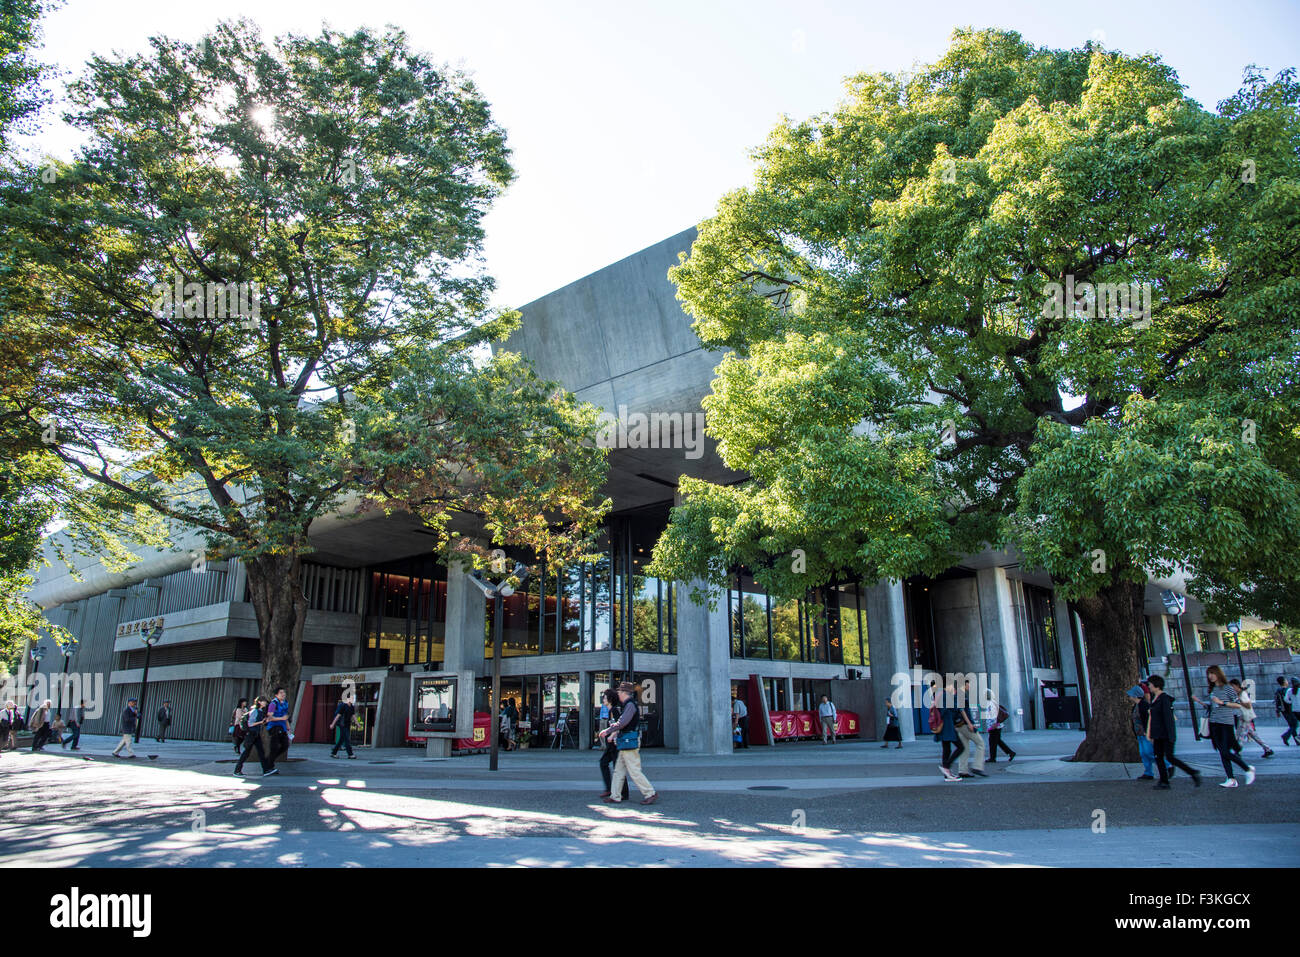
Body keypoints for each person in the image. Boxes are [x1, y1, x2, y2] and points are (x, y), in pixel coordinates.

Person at [1193, 666, 1255, 788]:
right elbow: (1213, 706)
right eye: (1208, 674)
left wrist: (1223, 703)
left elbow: (1238, 705)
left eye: (1212, 673)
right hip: (1214, 723)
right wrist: (1200, 702)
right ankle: (1231, 779)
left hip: (1225, 723)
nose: (1210, 676)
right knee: (1222, 752)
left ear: (1218, 674)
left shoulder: (1227, 688)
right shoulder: (1212, 689)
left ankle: (1247, 769)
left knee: (1224, 751)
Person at [599, 682, 657, 805]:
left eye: (619, 692)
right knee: (618, 770)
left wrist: (608, 731)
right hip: (626, 742)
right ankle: (615, 795)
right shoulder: (628, 705)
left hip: (628, 742)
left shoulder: (630, 705)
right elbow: (622, 722)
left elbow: (622, 722)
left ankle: (650, 793)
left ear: (625, 693)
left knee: (634, 770)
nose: (618, 694)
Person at [1146, 674, 1201, 789]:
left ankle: (1192, 772)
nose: (1149, 686)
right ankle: (1164, 780)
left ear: (1156, 685)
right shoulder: (1155, 699)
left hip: (1165, 734)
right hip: (1158, 734)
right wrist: (1151, 733)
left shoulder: (1164, 699)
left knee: (1169, 757)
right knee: (1159, 757)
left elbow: (1168, 719)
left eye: (1150, 684)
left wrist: (1171, 736)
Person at [1229, 678, 1274, 759]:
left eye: (1232, 686)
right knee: (1252, 734)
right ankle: (1267, 749)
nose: (1231, 688)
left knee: (1241, 735)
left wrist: (1239, 702)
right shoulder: (1238, 694)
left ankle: (1238, 751)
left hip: (1245, 717)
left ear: (1236, 685)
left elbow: (1248, 705)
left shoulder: (1243, 694)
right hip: (1242, 716)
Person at [597, 688, 628, 800]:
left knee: (617, 767)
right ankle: (610, 788)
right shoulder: (611, 711)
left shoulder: (614, 710)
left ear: (609, 699)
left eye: (605, 697)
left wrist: (611, 735)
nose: (603, 699)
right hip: (611, 745)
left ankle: (622, 792)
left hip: (615, 744)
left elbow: (618, 726)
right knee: (604, 763)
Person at [234, 695, 276, 776]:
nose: (265, 703)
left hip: (256, 734)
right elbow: (250, 724)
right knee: (246, 753)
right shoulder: (255, 711)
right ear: (259, 702)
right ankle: (237, 770)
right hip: (251, 734)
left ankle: (266, 770)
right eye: (264, 701)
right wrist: (261, 722)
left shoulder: (260, 711)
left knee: (261, 752)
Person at [954, 682, 987, 777]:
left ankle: (962, 770)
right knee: (980, 743)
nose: (970, 686)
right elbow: (962, 710)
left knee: (964, 748)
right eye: (969, 684)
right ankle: (977, 767)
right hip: (964, 725)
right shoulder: (961, 694)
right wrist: (970, 724)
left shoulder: (957, 694)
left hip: (959, 725)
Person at [935, 683, 966, 782]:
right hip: (947, 726)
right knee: (960, 747)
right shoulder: (946, 695)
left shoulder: (939, 694)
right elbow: (955, 708)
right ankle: (946, 767)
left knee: (946, 749)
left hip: (943, 726)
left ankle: (947, 774)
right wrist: (955, 697)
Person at [1128, 683, 1156, 780]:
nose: (1129, 696)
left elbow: (1148, 719)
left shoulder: (1143, 706)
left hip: (1145, 733)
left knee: (1149, 753)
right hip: (1140, 734)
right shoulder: (1136, 706)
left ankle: (1167, 765)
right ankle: (1148, 772)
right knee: (1144, 753)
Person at [984, 688, 1015, 762]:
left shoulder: (990, 703)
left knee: (992, 742)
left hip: (994, 726)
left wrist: (993, 725)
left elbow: (993, 715)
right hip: (997, 725)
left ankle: (993, 758)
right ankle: (1010, 753)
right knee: (997, 741)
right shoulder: (992, 702)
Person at [265, 687, 291, 767]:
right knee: (274, 747)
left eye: (284, 692)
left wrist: (288, 727)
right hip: (274, 727)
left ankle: (270, 760)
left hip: (282, 727)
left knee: (285, 745)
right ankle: (269, 765)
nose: (283, 694)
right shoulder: (273, 704)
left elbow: (285, 716)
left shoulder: (285, 703)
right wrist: (281, 718)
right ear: (276, 695)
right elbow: (269, 717)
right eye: (281, 693)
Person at [330, 693, 356, 758]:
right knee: (347, 739)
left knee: (341, 740)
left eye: (353, 698)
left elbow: (353, 716)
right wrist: (333, 724)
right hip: (342, 724)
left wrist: (357, 723)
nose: (353, 699)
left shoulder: (352, 707)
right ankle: (350, 754)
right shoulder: (343, 706)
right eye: (352, 698)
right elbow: (338, 715)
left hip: (347, 724)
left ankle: (334, 753)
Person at [1279, 676, 1299, 746]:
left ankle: (1296, 740)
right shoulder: (1288, 690)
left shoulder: (1281, 690)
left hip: (1286, 710)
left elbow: (1282, 700)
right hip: (1290, 710)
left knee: (1293, 725)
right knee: (1294, 725)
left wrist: (1277, 711)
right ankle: (1288, 737)